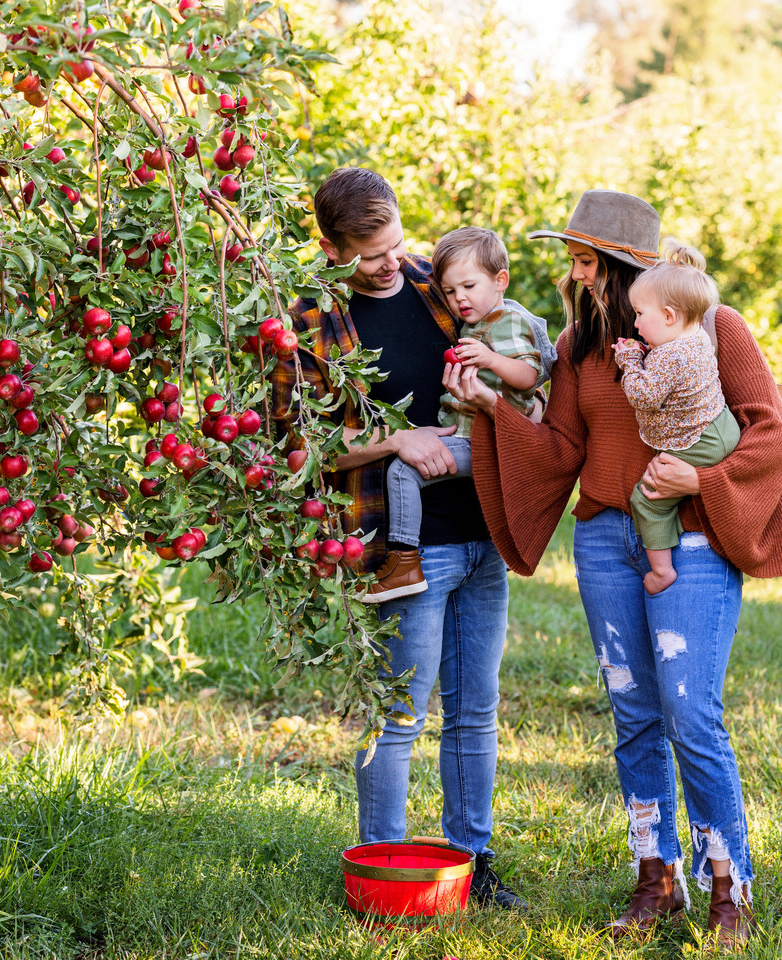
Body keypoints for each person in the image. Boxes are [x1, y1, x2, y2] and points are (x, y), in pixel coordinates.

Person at [444, 189, 782, 949]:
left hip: (693, 541)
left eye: (584, 262)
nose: (573, 276)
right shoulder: (577, 347)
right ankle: (655, 877)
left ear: (626, 267)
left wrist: (701, 481)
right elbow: (565, 449)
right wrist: (491, 411)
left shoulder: (711, 326)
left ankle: (729, 886)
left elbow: (769, 433)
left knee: (690, 716)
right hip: (607, 540)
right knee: (634, 718)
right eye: (572, 261)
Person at [269, 167, 524, 908]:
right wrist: (394, 439)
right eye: (371, 254)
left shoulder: (435, 285)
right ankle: (381, 868)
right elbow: (294, 450)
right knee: (399, 713)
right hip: (398, 548)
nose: (392, 263)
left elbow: (509, 351)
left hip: (479, 533)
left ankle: (471, 862)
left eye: (396, 244)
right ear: (329, 246)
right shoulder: (306, 320)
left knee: (475, 709)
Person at [367, 226, 548, 604]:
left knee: (403, 471)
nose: (459, 298)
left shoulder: (508, 322)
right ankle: (406, 560)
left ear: (501, 281)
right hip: (464, 433)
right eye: (449, 292)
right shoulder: (474, 323)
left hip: (480, 439)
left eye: (468, 287)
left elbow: (530, 376)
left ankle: (402, 561)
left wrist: (490, 359)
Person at [613, 239, 739, 596]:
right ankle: (779, 511)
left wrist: (629, 361)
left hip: (696, 441)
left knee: (647, 498)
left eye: (639, 314)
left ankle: (662, 571)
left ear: (669, 316)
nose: (635, 323)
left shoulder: (668, 356)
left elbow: (645, 397)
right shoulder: (695, 337)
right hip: (722, 425)